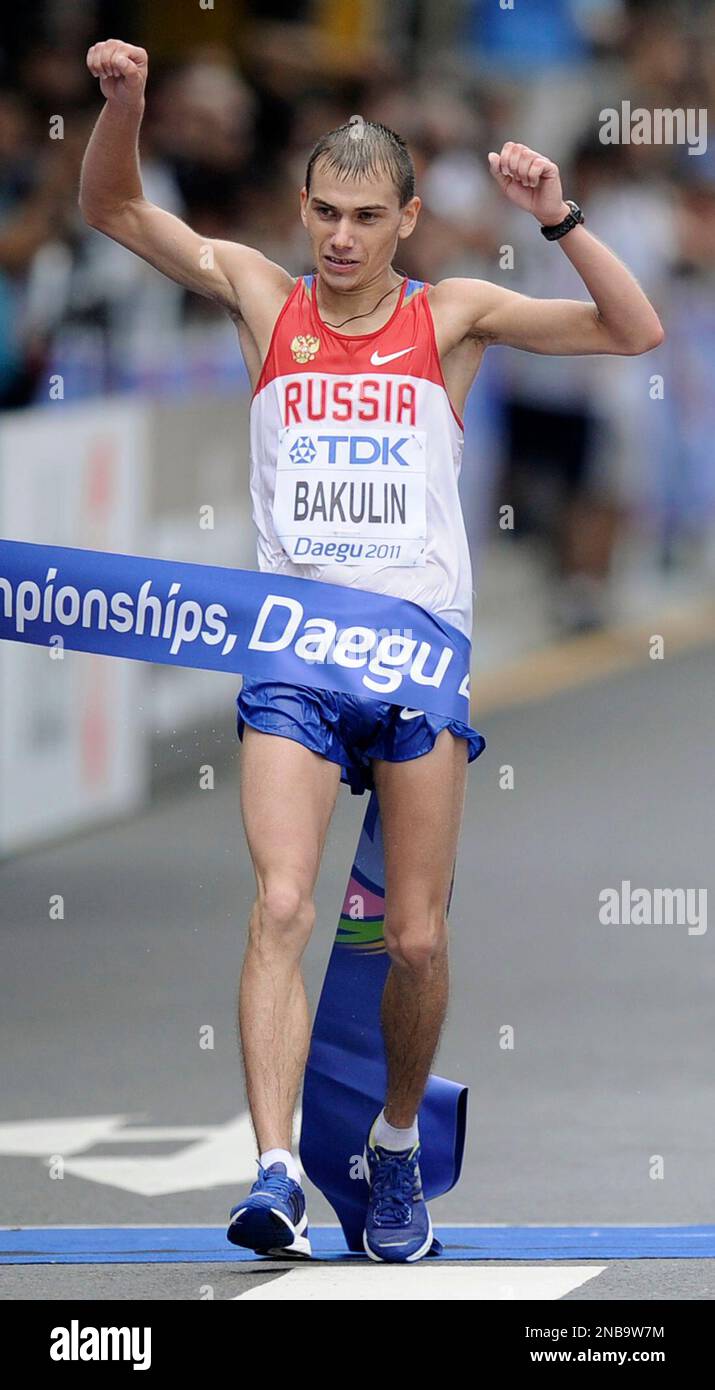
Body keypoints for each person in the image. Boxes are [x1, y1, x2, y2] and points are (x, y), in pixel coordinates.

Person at [80, 40, 664, 1264]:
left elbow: (634, 329)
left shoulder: (452, 317)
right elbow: (114, 205)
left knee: (414, 939)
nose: (341, 238)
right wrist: (126, 105)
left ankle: (395, 1149)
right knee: (282, 903)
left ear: (408, 219)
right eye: (324, 213)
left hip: (411, 663)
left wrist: (554, 213)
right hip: (292, 651)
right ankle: (278, 1169)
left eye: (366, 217)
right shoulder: (259, 294)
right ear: (301, 210)